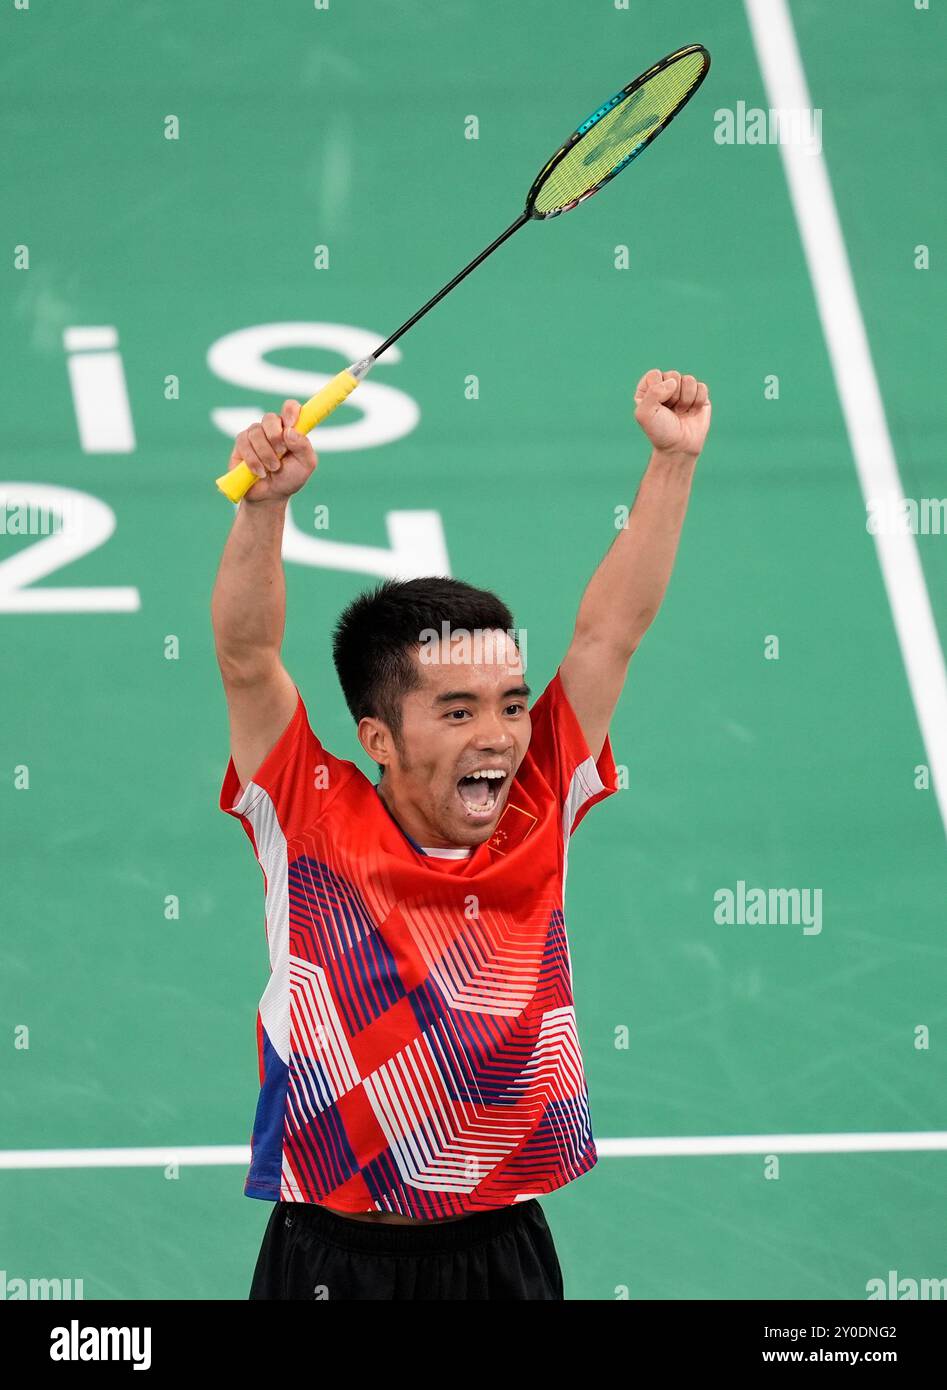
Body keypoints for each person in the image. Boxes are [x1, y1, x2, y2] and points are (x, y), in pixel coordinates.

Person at [212, 368, 712, 1299]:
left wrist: (671, 461)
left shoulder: (539, 797)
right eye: (456, 711)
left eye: (511, 704)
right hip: (332, 1253)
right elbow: (247, 657)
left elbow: (609, 634)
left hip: (499, 1253)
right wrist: (263, 512)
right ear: (378, 739)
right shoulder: (308, 812)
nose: (498, 735)